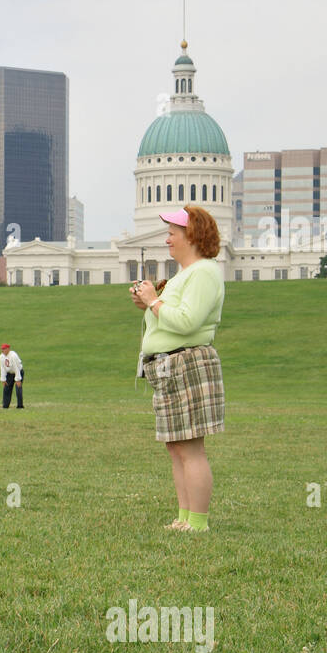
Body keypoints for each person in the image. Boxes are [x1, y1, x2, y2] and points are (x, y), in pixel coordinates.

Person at [130, 207, 225, 533]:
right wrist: (149, 302)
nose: (168, 238)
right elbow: (171, 315)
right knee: (176, 445)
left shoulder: (203, 272)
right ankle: (184, 517)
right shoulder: (187, 274)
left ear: (193, 236)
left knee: (190, 447)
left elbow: (187, 321)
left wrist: (154, 301)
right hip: (170, 367)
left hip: (186, 363)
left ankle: (197, 522)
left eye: (174, 232)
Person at [0, 343, 24, 409]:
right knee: (6, 389)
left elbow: (16, 367)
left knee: (18, 389)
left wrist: (18, 379)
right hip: (9, 373)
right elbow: (2, 368)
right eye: (2, 349)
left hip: (17, 372)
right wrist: (3, 379)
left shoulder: (13, 355)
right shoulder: (1, 356)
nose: (2, 350)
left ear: (8, 349)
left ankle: (20, 405)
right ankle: (5, 405)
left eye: (4, 349)